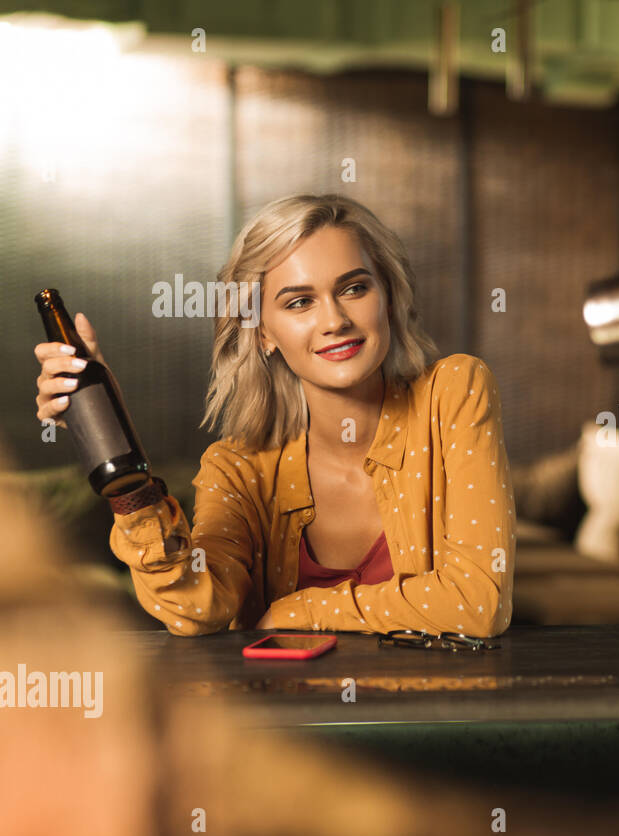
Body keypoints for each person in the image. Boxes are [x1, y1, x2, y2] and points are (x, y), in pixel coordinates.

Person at [33, 194, 515, 637]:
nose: (334, 320)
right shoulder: (238, 467)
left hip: (430, 718)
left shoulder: (453, 392)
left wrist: (301, 610)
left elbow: (478, 602)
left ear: (387, 297)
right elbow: (198, 608)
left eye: (353, 288)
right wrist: (123, 467)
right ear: (263, 332)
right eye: (300, 302)